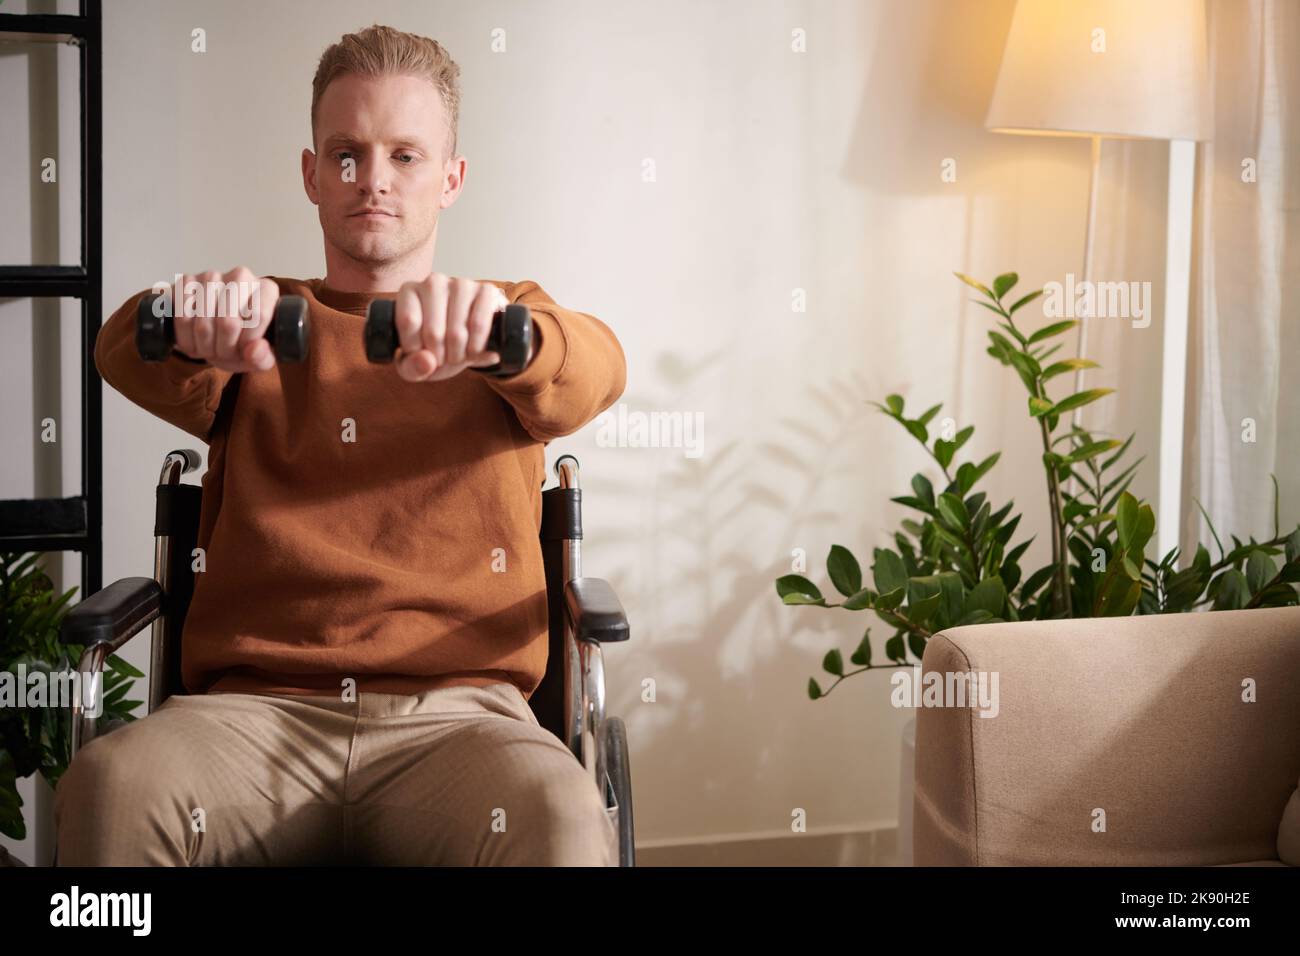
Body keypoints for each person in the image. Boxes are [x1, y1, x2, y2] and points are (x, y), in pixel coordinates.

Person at [54, 23, 626, 866]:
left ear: (451, 179)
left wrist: (507, 339)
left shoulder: (503, 320)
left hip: (462, 726)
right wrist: (179, 320)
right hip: (247, 721)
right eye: (348, 154)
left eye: (406, 155)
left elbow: (598, 369)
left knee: (565, 816)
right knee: (112, 788)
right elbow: (118, 349)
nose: (374, 181)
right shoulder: (256, 323)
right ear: (312, 175)